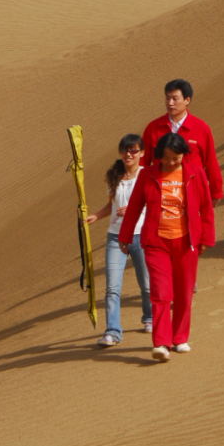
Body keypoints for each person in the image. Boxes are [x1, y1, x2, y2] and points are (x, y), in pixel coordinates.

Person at [119, 133, 215, 362]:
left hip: (187, 241)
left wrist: (206, 238)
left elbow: (206, 206)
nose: (171, 162)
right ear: (158, 156)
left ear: (184, 155)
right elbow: (134, 207)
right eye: (167, 158)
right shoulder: (148, 174)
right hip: (156, 242)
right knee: (161, 293)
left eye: (176, 158)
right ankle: (161, 343)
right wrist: (124, 236)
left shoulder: (195, 172)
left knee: (184, 292)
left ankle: (180, 338)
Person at [84, 134, 152, 347]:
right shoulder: (115, 176)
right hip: (115, 237)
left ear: (142, 153)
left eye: (133, 150)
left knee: (147, 285)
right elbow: (112, 205)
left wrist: (134, 209)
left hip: (141, 235)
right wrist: (96, 215)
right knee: (112, 287)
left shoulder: (148, 175)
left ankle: (149, 317)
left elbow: (156, 203)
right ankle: (113, 332)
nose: (128, 154)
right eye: (125, 150)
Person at [141, 79, 224, 203]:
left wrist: (216, 192)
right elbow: (142, 163)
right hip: (161, 193)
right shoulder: (153, 128)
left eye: (175, 98)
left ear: (187, 100)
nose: (170, 103)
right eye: (167, 98)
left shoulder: (201, 128)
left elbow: (211, 161)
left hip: (193, 192)